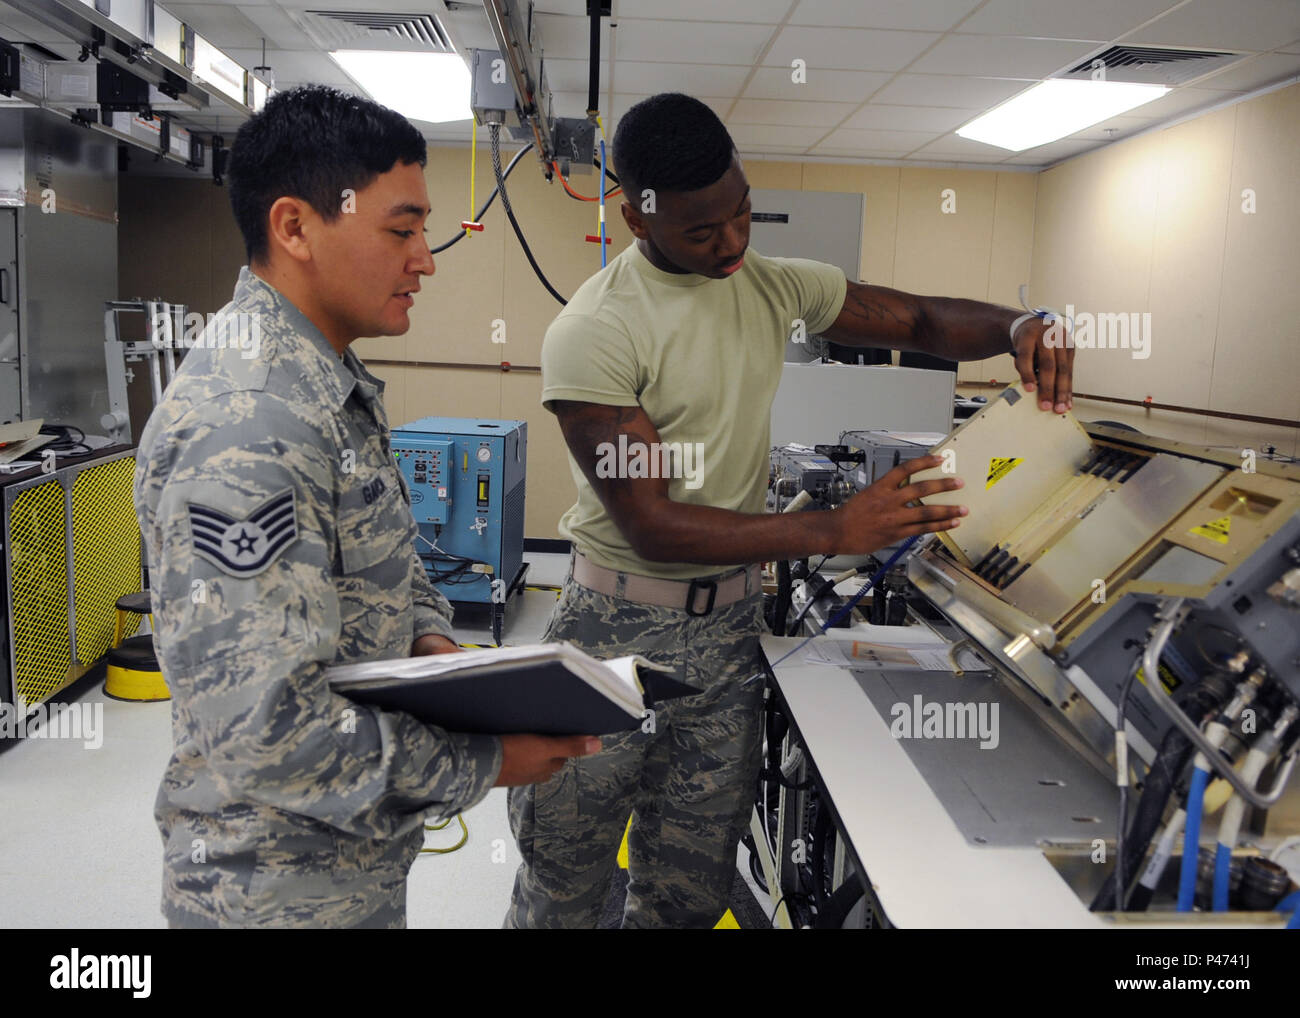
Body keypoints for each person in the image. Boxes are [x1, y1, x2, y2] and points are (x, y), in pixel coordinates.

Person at [505, 92, 1076, 928]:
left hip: (725, 645)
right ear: (637, 218)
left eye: (741, 215)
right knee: (566, 891)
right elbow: (651, 521)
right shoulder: (596, 329)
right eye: (703, 232)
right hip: (608, 641)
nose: (733, 243)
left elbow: (913, 317)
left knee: (687, 895)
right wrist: (834, 531)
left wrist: (1021, 323)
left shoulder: (771, 286)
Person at [134, 85, 597, 929]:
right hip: (272, 892)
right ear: (295, 227)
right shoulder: (252, 419)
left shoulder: (323, 381)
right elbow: (267, 731)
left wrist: (428, 635)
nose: (426, 258)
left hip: (344, 863)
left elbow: (384, 555)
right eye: (401, 229)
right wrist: (485, 759)